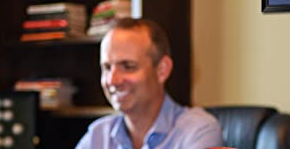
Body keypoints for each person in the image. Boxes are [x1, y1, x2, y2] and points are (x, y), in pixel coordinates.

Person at [75, 17, 222, 149]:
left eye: (128, 66)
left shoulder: (198, 130)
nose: (112, 80)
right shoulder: (98, 135)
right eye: (107, 68)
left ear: (162, 70)